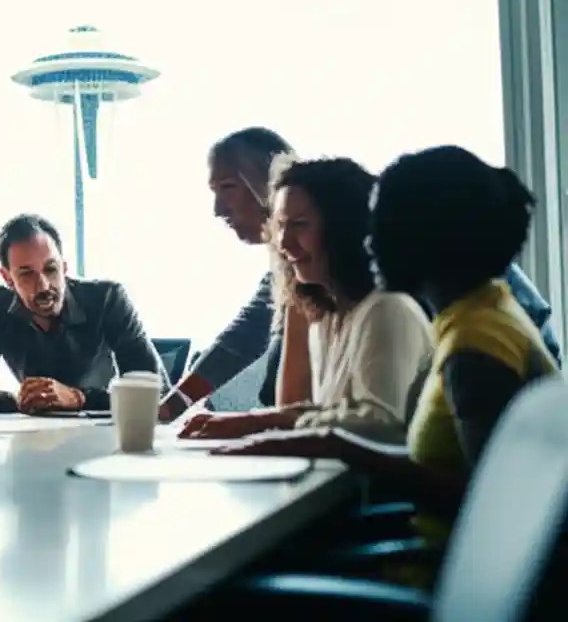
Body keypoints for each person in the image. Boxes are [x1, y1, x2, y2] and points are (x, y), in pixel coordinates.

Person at [215, 146, 559, 536]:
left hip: (427, 572)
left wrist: (339, 446)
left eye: (383, 222)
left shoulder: (476, 347)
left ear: (429, 235)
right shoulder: (478, 315)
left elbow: (488, 502)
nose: (367, 240)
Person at [181, 157, 434, 442]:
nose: (285, 244)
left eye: (299, 225)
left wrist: (262, 422)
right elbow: (328, 414)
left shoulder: (388, 309)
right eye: (281, 227)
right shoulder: (325, 317)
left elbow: (380, 425)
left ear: (344, 230)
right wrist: (251, 421)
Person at [0, 214, 165, 413]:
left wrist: (78, 398)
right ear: (7, 278)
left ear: (64, 267)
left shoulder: (108, 299)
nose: (43, 286)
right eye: (26, 274)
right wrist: (18, 400)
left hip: (103, 439)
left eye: (51, 269)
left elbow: (157, 392)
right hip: (32, 440)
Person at [160, 127, 296, 419]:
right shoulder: (286, 264)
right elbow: (244, 337)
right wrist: (171, 407)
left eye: (228, 187)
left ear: (270, 184)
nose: (218, 209)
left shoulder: (323, 267)